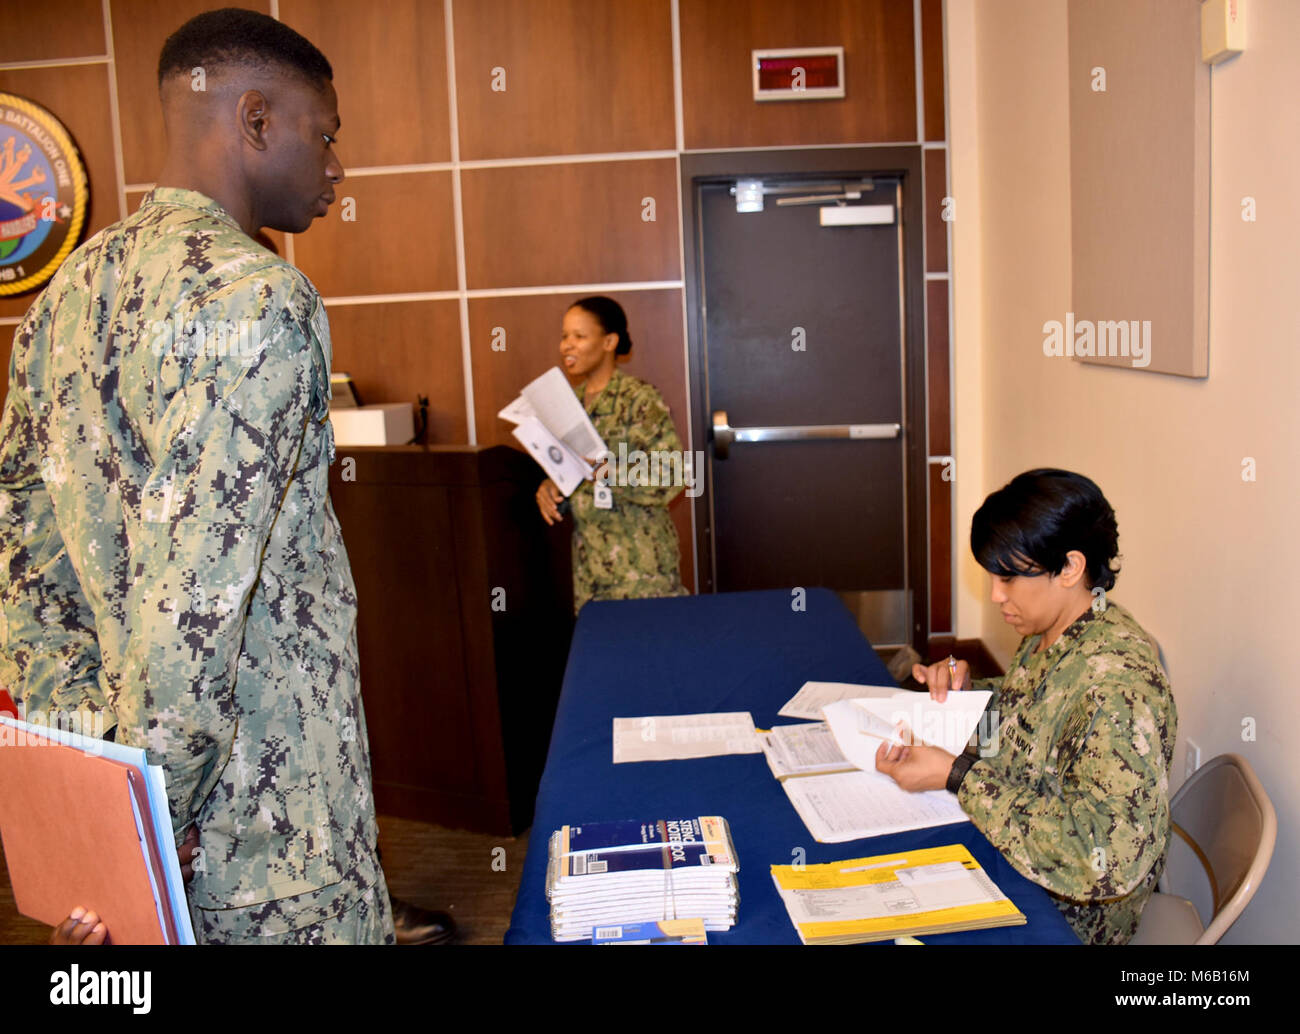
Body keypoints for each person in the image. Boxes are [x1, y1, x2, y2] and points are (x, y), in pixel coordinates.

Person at [0, 8, 396, 944]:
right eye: (326, 134)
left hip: (129, 846)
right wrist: (149, 832)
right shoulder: (259, 297)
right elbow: (192, 619)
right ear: (255, 119)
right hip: (266, 856)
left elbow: (24, 579)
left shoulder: (58, 303)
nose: (337, 166)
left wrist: (94, 830)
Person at [875, 469, 1177, 945]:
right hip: (1013, 852)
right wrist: (970, 695)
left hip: (1064, 916)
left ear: (1071, 568)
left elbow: (1104, 860)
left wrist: (957, 775)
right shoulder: (1058, 630)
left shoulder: (1117, 690)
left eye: (1010, 578)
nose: (996, 595)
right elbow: (1035, 725)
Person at [534, 297, 688, 612]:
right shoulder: (567, 405)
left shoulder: (639, 399)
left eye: (579, 336)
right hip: (590, 576)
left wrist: (607, 470)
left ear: (609, 341)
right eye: (564, 336)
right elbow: (572, 479)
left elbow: (674, 477)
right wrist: (552, 488)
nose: (567, 346)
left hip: (642, 576)